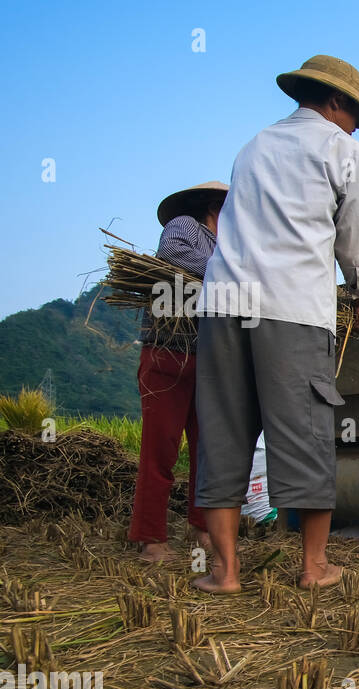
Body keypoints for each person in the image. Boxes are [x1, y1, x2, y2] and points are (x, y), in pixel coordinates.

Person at [193, 55, 359, 593]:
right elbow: (356, 237)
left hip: (224, 303)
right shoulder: (346, 152)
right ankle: (314, 567)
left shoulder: (252, 147)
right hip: (291, 305)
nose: (353, 126)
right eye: (353, 115)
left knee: (223, 432)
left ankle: (226, 572)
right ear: (335, 102)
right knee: (307, 429)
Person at [128, 181, 228, 562]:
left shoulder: (231, 248)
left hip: (210, 362)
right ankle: (150, 538)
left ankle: (202, 529)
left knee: (208, 452)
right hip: (168, 355)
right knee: (161, 450)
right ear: (217, 207)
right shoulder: (187, 226)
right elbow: (172, 253)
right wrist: (230, 270)